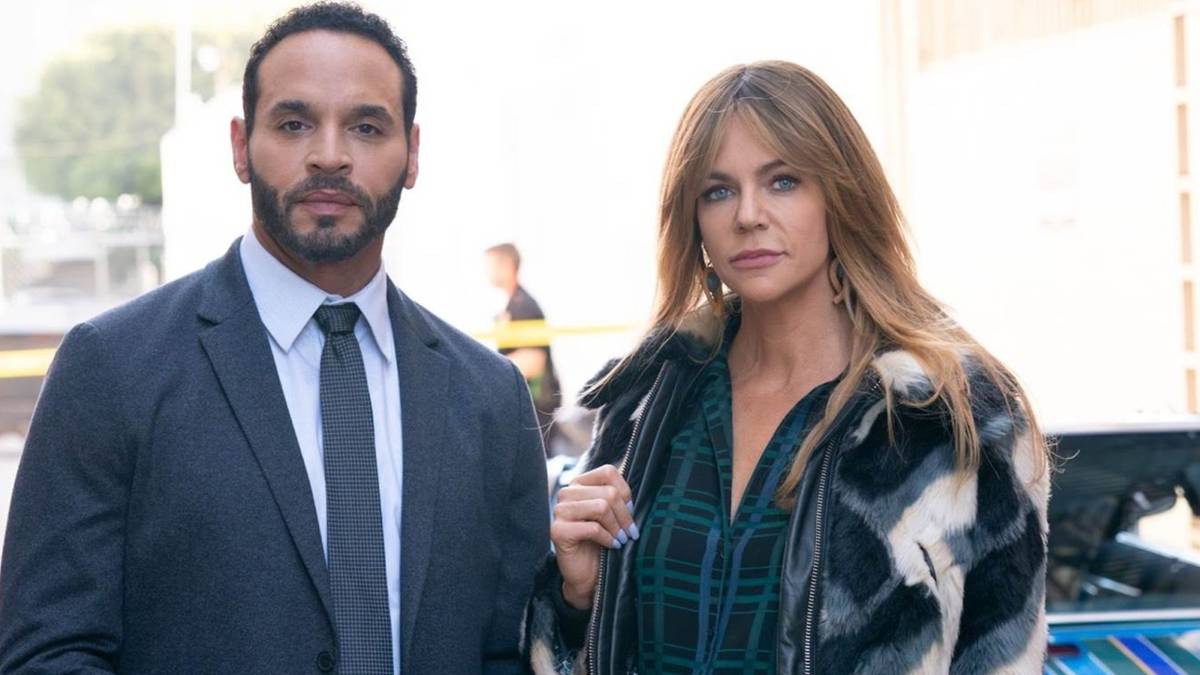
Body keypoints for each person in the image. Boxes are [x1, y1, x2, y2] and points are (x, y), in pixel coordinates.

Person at [0, 4, 548, 673]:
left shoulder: (490, 397)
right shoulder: (113, 368)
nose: (329, 155)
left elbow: (507, 651)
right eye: (294, 123)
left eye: (366, 126)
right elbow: (48, 651)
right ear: (240, 146)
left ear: (412, 154)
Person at [523, 61, 1050, 674]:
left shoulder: (950, 416)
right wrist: (577, 598)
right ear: (694, 219)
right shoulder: (646, 402)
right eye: (718, 191)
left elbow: (1002, 653)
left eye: (783, 181)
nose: (748, 215)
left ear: (840, 195)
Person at [486, 242, 562, 454]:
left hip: (536, 405)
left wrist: (486, 369)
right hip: (531, 404)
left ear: (508, 266)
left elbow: (533, 361)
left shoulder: (523, 306)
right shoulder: (513, 305)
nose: (487, 272)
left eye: (491, 266)